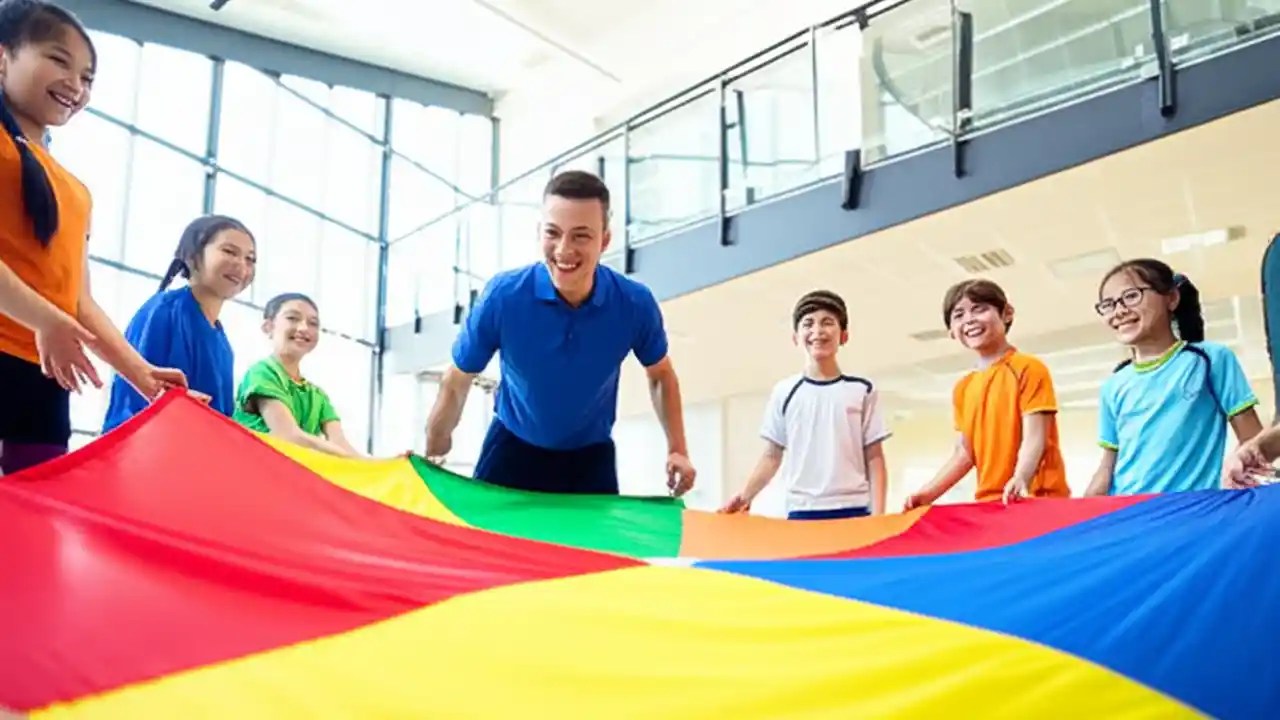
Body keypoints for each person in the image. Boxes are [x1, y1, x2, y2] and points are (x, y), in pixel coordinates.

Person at [422, 170, 696, 496]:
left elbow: (660, 375)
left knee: (591, 550)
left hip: (589, 459)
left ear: (604, 240)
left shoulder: (634, 304)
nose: (564, 250)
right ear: (540, 232)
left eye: (580, 235)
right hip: (511, 448)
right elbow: (458, 378)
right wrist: (434, 452)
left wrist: (677, 448)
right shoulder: (503, 296)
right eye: (553, 233)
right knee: (483, 545)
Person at [0, 0, 187, 473]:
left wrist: (142, 375)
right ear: (3, 58)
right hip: (26, 347)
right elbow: (58, 314)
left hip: (46, 372)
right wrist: (45, 320)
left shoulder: (74, 190)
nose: (76, 86)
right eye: (59, 61)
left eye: (87, 78)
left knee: (32, 521)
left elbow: (77, 301)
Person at [1085, 259, 1261, 496]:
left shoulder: (1210, 360)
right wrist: (1084, 512)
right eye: (1108, 304)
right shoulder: (1113, 385)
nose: (1119, 310)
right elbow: (1107, 466)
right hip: (1127, 510)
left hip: (1189, 510)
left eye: (1131, 296)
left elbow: (1254, 439)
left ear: (1171, 298)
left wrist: (1238, 475)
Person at [720, 290, 890, 519]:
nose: (817, 331)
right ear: (795, 337)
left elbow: (874, 456)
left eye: (827, 323)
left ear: (844, 335)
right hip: (801, 510)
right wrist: (745, 497)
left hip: (854, 507)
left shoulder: (862, 389)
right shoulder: (784, 392)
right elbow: (771, 456)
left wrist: (879, 517)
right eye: (808, 324)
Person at [905, 279, 1070, 508]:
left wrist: (1021, 476)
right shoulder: (963, 388)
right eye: (958, 315)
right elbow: (964, 454)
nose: (969, 320)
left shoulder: (1028, 368)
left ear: (1007, 313)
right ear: (951, 332)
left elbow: (1035, 437)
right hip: (991, 502)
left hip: (1036, 497)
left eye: (979, 309)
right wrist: (928, 493)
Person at [101, 215, 255, 433]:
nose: (241, 264)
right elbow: (141, 403)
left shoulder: (221, 341)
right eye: (229, 252)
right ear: (192, 257)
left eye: (250, 259)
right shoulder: (165, 312)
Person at [233, 292, 360, 457]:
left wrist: (386, 465)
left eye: (313, 323)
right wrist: (348, 458)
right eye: (292, 318)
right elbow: (289, 436)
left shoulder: (317, 395)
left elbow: (340, 444)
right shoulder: (262, 373)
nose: (304, 328)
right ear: (268, 327)